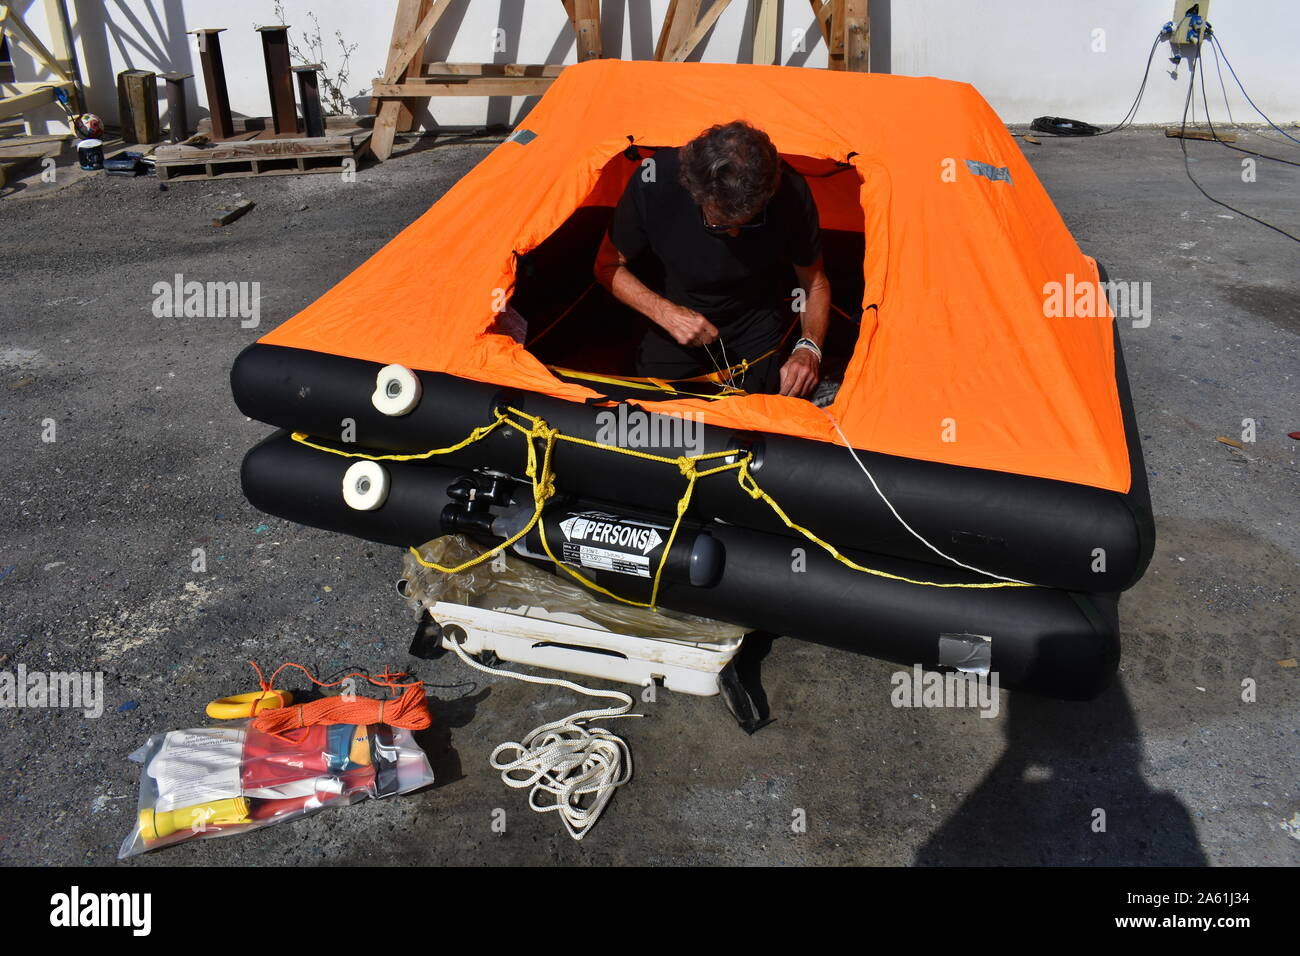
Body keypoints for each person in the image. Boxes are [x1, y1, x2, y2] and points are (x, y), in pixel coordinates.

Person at [594, 120, 830, 397]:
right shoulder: (656, 177)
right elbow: (607, 266)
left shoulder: (791, 191)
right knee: (652, 414)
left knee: (761, 414)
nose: (733, 235)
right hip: (671, 319)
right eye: (719, 225)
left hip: (753, 321)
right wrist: (666, 313)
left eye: (749, 223)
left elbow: (814, 284)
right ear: (696, 195)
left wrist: (809, 348)